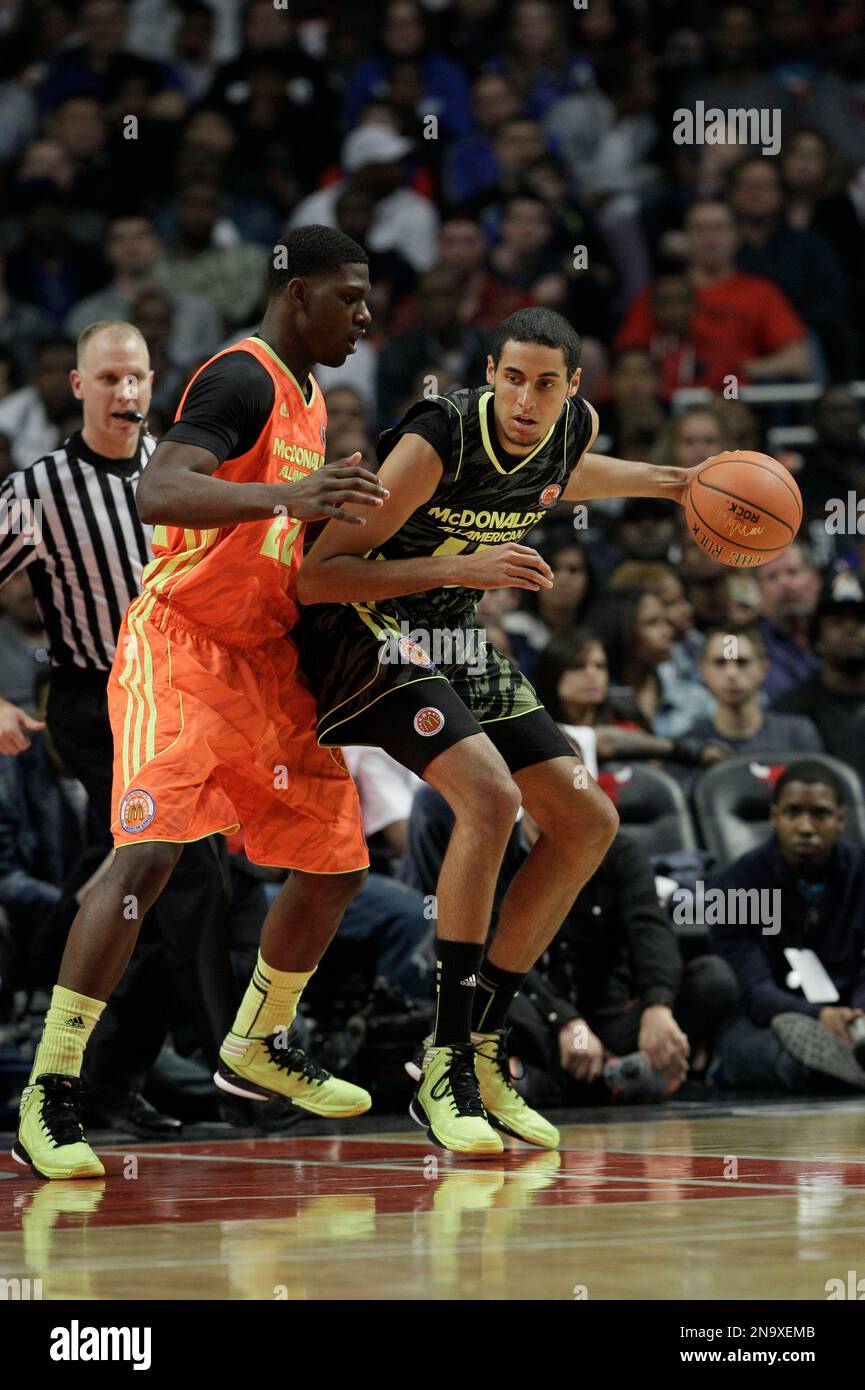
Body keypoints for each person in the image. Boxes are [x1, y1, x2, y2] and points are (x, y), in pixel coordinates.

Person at [12, 226, 388, 1181]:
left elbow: (286, 544)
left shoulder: (305, 396)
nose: (364, 315)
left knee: (336, 856)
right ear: (297, 293)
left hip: (260, 663)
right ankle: (52, 1091)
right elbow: (159, 492)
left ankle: (255, 1043)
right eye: (347, 297)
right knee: (146, 860)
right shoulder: (244, 375)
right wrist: (288, 496)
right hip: (179, 649)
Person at [295, 305, 711, 1157]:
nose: (526, 398)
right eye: (513, 378)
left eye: (546, 384)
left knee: (586, 821)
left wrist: (674, 481)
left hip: (447, 627)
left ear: (572, 389)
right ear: (490, 374)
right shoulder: (437, 438)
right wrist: (467, 568)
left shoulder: (567, 433)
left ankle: (484, 1043)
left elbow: (566, 478)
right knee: (487, 796)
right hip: (360, 627)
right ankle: (441, 1058)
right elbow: (317, 577)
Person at [0, 317, 240, 1139]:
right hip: (98, 701)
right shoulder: (38, 489)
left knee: (147, 894)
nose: (126, 393)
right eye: (107, 379)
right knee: (193, 877)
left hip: (182, 698)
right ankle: (242, 1065)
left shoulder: (173, 471)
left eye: (136, 378)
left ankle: (102, 1081)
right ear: (77, 388)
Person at [709, 761, 865, 1093]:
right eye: (793, 812)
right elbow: (754, 991)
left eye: (820, 814)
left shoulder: (861, 874)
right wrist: (819, 1015)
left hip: (850, 1015)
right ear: (774, 816)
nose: (805, 827)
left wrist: (857, 1015)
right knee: (776, 1055)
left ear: (840, 819)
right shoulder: (737, 886)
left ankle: (850, 1057)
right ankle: (836, 1069)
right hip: (767, 1018)